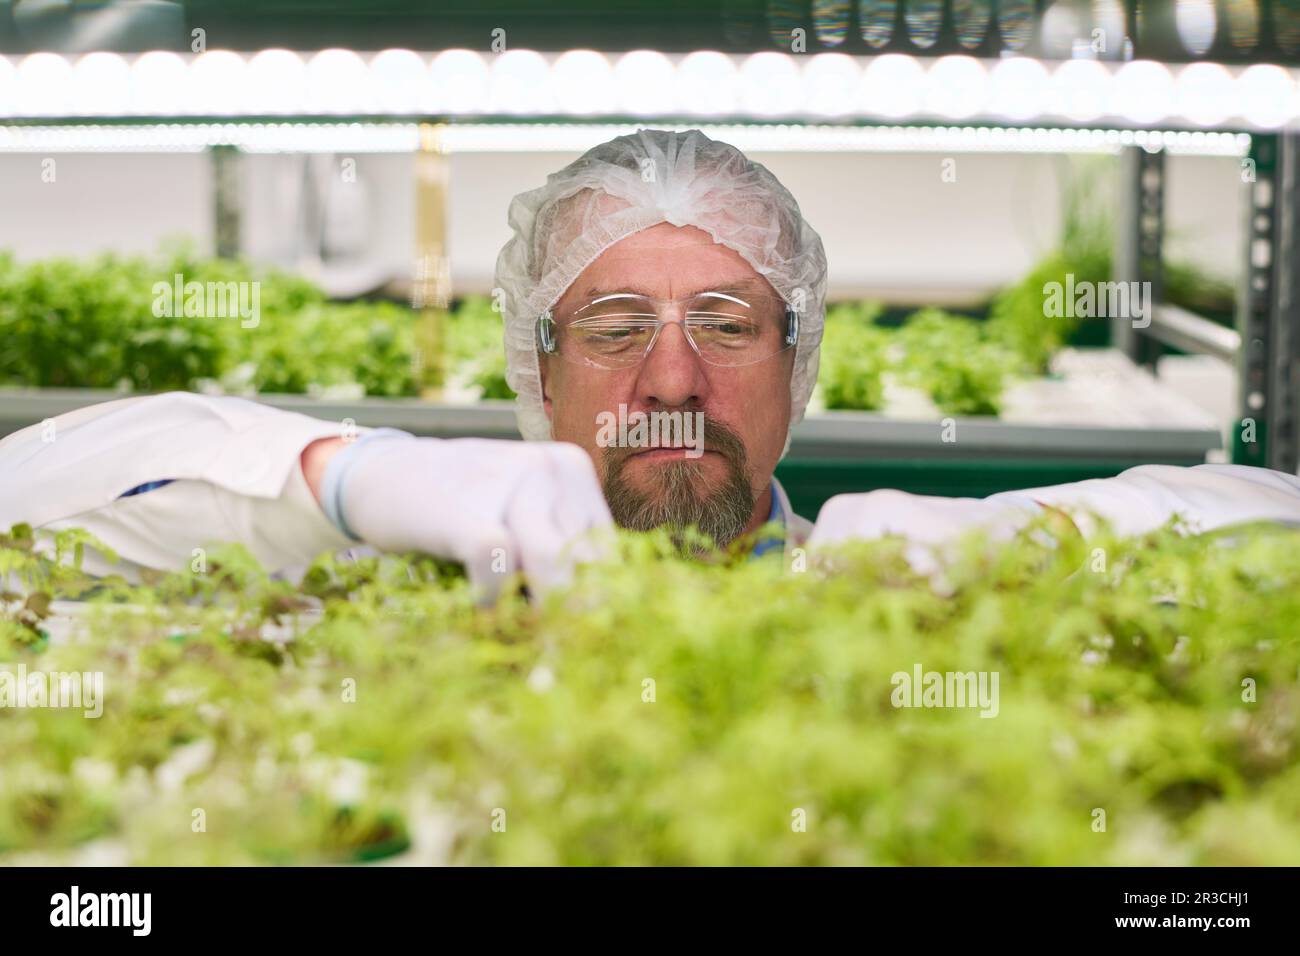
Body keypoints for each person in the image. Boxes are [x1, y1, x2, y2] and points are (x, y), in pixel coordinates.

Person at [3, 129, 1300, 598]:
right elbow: (38, 493)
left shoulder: (887, 593)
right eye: (619, 328)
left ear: (800, 369)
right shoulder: (385, 585)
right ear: (536, 368)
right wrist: (343, 480)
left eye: (729, 327)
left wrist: (1032, 536)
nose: (672, 384)